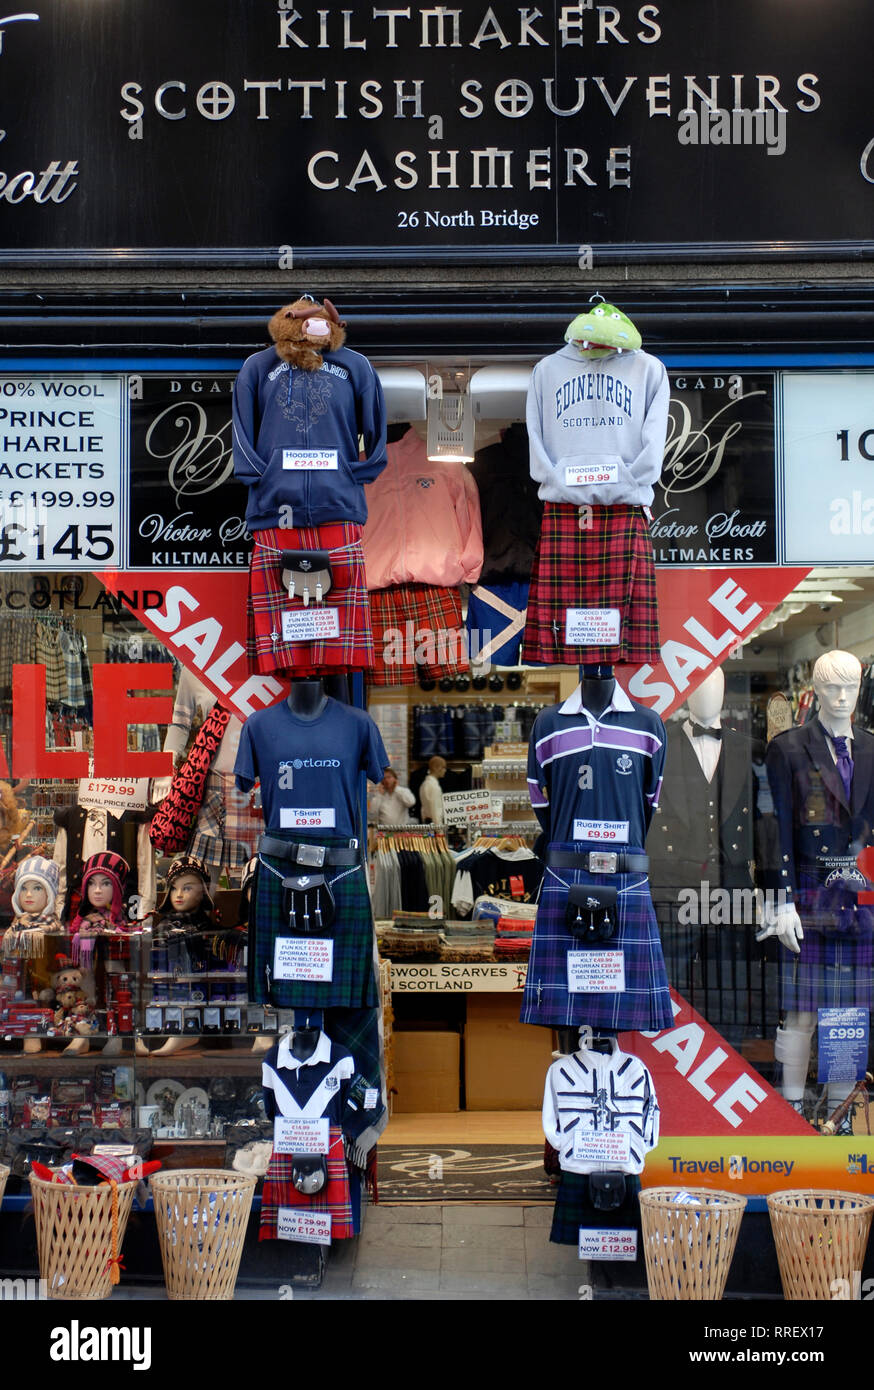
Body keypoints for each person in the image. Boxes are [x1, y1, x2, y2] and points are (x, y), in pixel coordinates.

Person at [420, 756, 446, 825]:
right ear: (436, 767)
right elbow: (436, 811)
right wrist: (440, 832)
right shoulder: (434, 787)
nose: (445, 770)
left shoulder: (424, 784)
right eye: (443, 767)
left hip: (427, 823)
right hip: (434, 825)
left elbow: (423, 809)